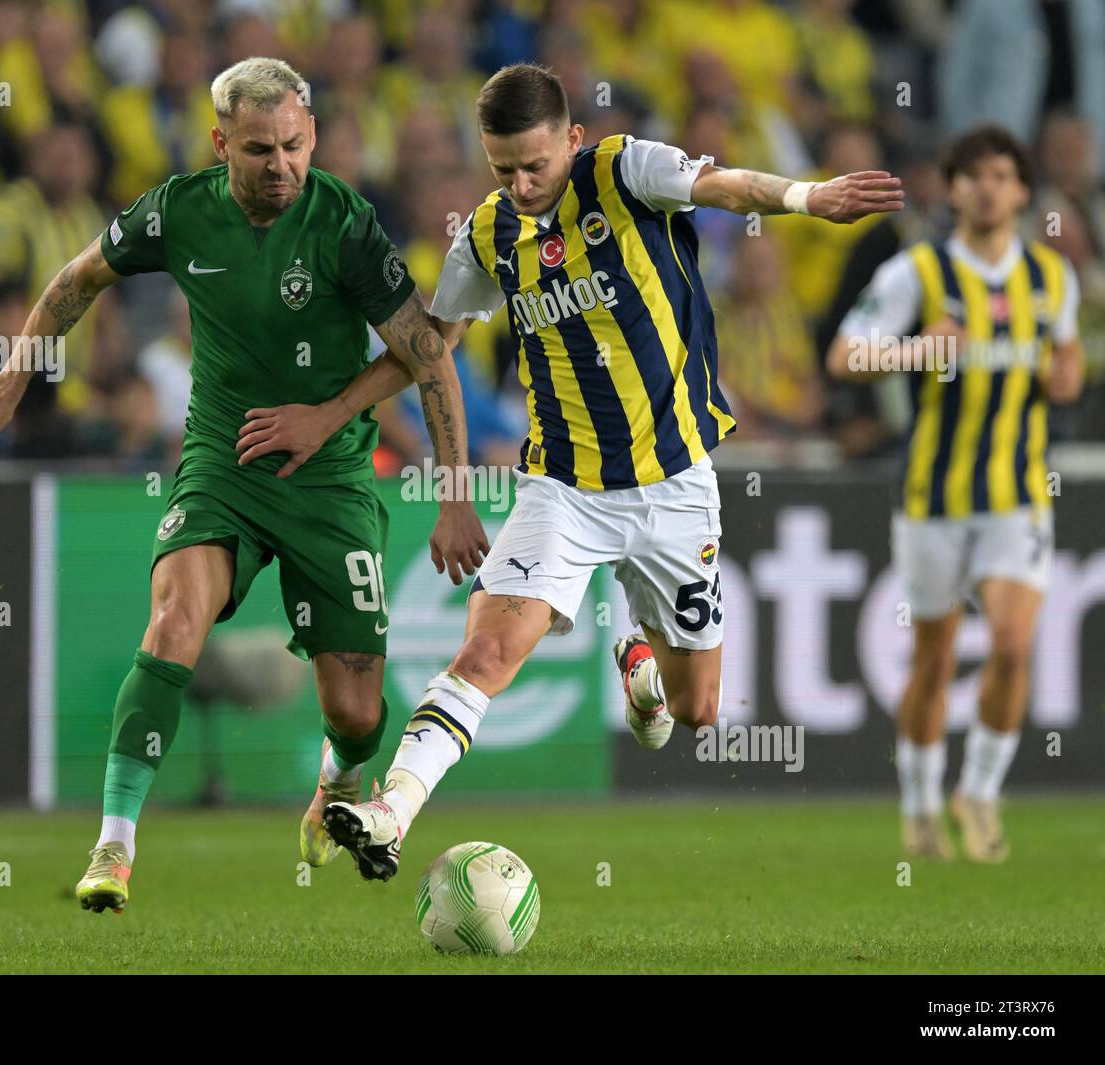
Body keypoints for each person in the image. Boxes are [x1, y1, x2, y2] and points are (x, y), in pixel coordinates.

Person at [242, 63, 903, 881]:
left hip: (675, 484)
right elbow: (431, 342)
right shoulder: (486, 235)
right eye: (502, 169)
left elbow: (726, 185)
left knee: (694, 710)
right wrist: (330, 413)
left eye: (535, 165)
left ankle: (640, 665)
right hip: (564, 487)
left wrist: (809, 198)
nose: (520, 185)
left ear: (572, 140)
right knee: (486, 652)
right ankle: (391, 810)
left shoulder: (628, 171)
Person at [0, 57, 487, 912]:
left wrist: (452, 497)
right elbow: (72, 281)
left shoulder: (343, 223)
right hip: (224, 461)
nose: (283, 167)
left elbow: (426, 354)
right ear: (220, 141)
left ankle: (338, 782)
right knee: (173, 622)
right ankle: (114, 846)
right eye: (261, 149)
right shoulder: (178, 211)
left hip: (330, 475)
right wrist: (8, 386)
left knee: (355, 708)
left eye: (297, 146)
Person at [827, 125, 1085, 862]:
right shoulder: (920, 272)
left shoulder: (1050, 276)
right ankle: (917, 804)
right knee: (934, 661)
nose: (986, 188)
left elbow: (1066, 356)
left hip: (1016, 493)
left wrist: (1065, 372)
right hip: (933, 496)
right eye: (971, 176)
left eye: (1001, 175)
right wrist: (916, 348)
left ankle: (979, 791)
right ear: (953, 189)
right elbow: (843, 357)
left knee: (1011, 644)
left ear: (1022, 191)